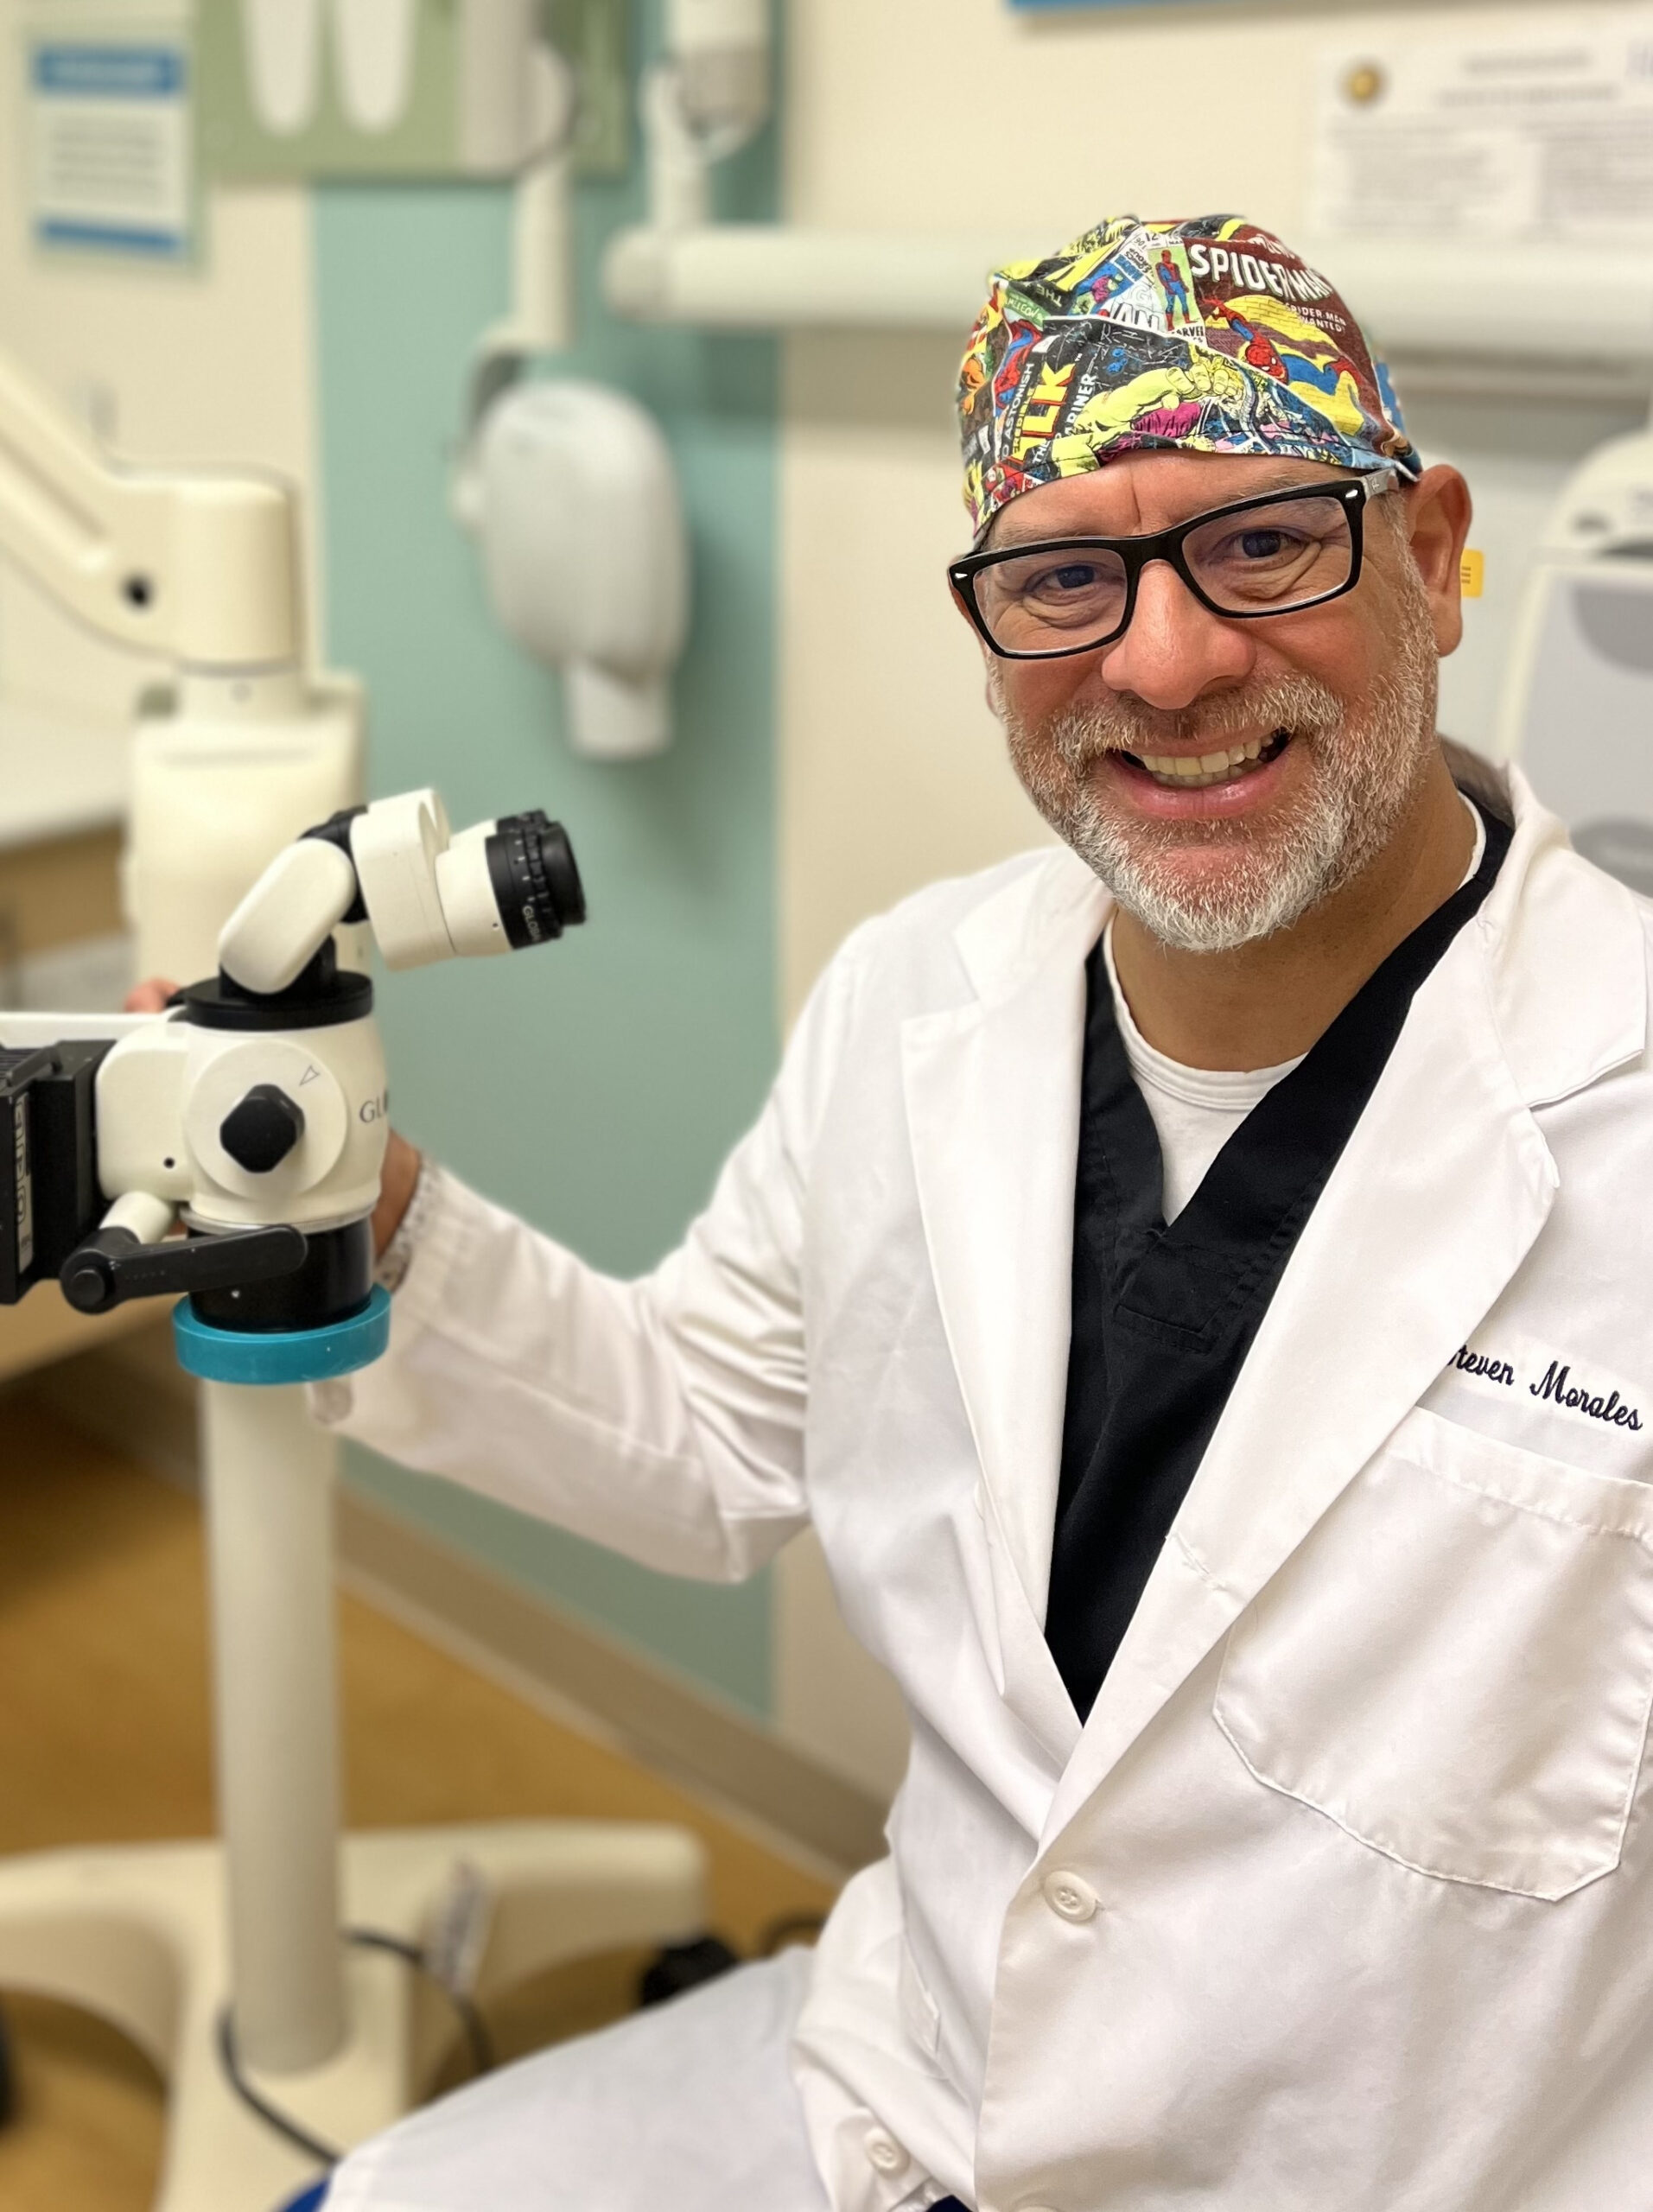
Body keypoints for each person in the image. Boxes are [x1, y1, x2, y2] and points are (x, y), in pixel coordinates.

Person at [223, 214, 1653, 2209]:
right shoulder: (919, 991)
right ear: (992, 637)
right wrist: (363, 1214)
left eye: (1263, 543)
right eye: (1066, 577)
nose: (1166, 659)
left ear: (1428, 554)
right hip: (906, 2080)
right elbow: (711, 1435)